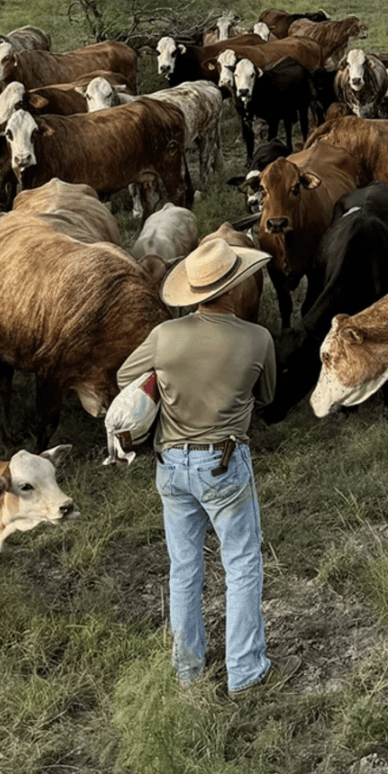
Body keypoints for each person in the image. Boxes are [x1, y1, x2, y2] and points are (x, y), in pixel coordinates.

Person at [118, 238, 299, 695]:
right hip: (224, 464)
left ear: (193, 291)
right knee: (240, 564)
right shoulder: (256, 339)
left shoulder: (165, 336)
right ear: (236, 285)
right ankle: (246, 671)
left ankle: (188, 671)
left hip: (170, 465)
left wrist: (168, 386)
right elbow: (268, 396)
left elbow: (126, 378)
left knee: (184, 569)